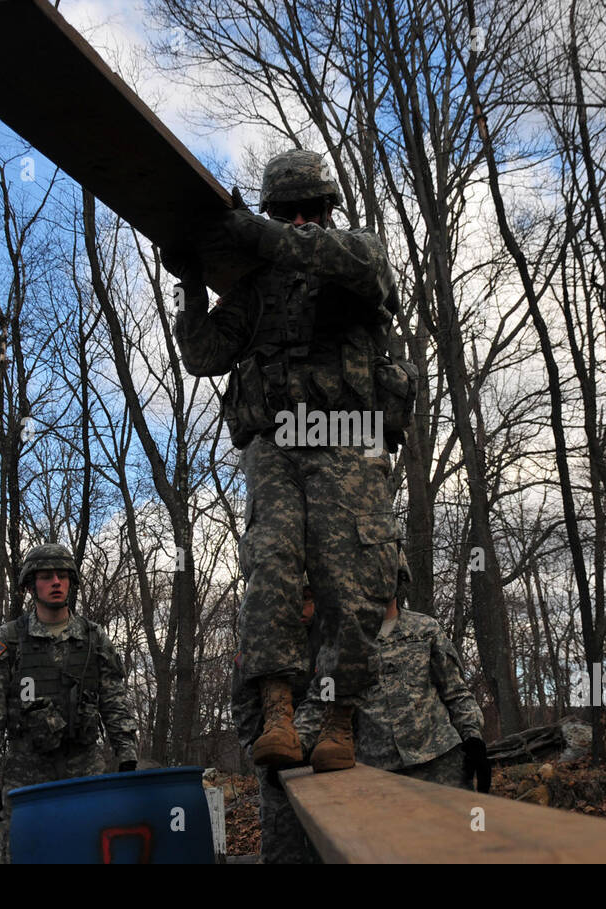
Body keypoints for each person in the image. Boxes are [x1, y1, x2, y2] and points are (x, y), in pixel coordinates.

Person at [169, 149, 414, 773]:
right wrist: (194, 286)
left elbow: (356, 263)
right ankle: (278, 710)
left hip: (348, 432)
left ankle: (338, 719)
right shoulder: (256, 289)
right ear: (276, 210)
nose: (301, 221)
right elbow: (204, 356)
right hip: (277, 438)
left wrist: (254, 230)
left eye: (311, 210)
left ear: (328, 210)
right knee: (272, 562)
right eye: (288, 212)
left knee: (353, 578)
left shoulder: (360, 254)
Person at [0, 543, 139, 863]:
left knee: (90, 849)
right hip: (26, 770)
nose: (56, 582)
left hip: (84, 766)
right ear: (31, 585)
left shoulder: (93, 638)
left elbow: (115, 699)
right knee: (23, 852)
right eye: (47, 577)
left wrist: (127, 756)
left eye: (62, 576)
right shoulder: (9, 639)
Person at [296, 550, 490, 793]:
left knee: (456, 831)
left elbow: (456, 692)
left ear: (400, 579)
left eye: (387, 574)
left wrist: (473, 738)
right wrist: (294, 748)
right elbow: (319, 702)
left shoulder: (425, 629)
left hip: (441, 764)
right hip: (377, 773)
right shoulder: (344, 641)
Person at [231, 581, 320, 864]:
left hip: (324, 765)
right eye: (294, 600)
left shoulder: (331, 642)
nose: (302, 609)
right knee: (281, 848)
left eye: (308, 599)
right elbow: (244, 710)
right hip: (275, 771)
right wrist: (262, 757)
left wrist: (305, 746)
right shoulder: (258, 647)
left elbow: (331, 700)